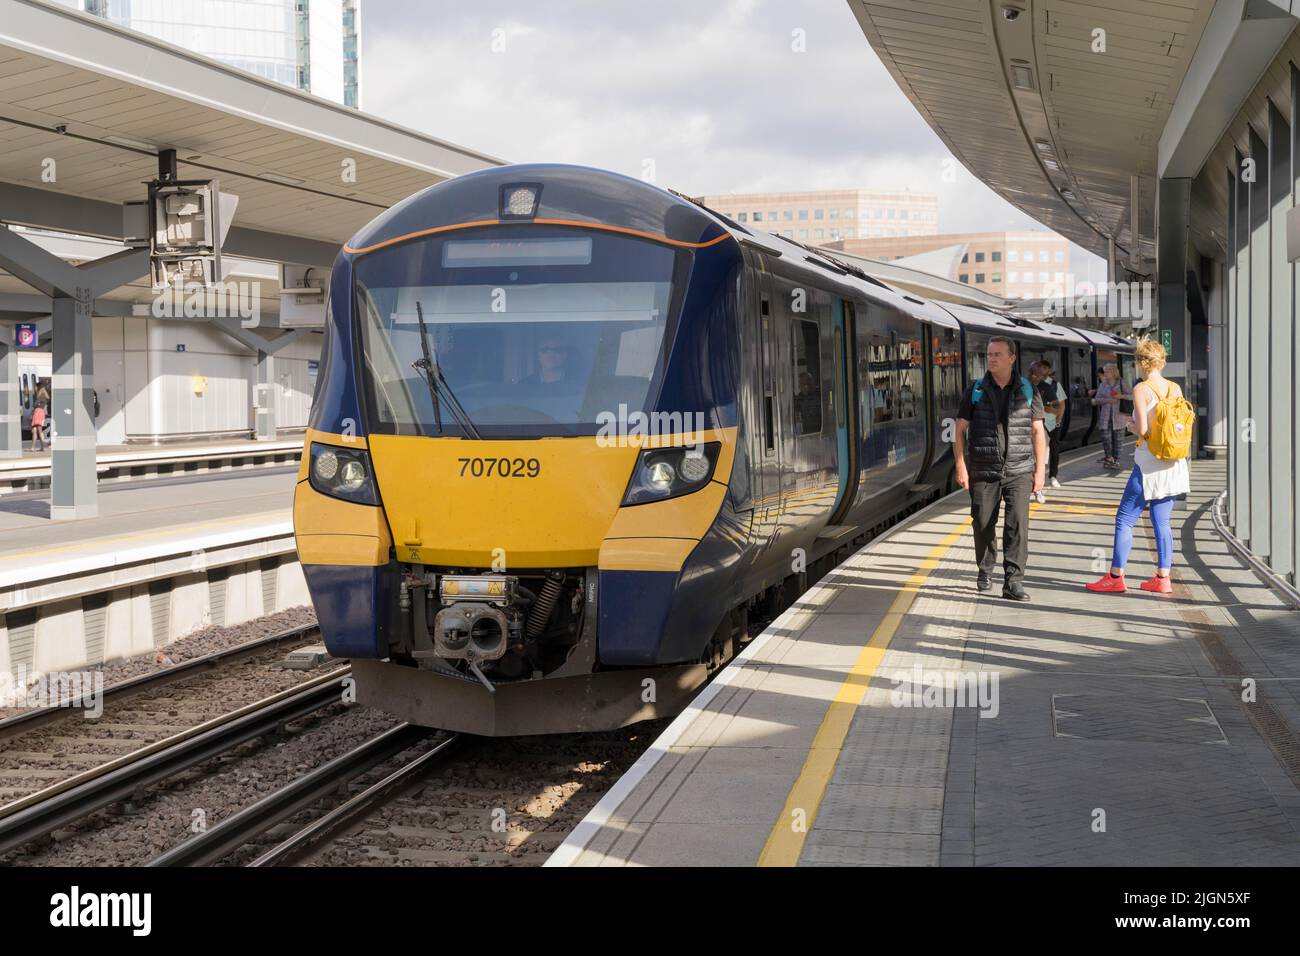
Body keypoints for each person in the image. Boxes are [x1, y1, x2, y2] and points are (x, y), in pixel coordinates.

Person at [1086, 339, 1190, 595]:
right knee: (1161, 522)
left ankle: (1115, 577)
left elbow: (1143, 429)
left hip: (1147, 464)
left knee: (1124, 519)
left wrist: (1128, 423)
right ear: (1161, 361)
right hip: (1173, 462)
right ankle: (1162, 578)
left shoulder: (1142, 389)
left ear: (1141, 363)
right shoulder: (1175, 388)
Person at [954, 336, 1048, 601]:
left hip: (1019, 469)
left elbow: (1038, 432)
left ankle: (1013, 581)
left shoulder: (1029, 389)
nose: (991, 358)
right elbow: (960, 430)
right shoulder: (975, 389)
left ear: (1011, 358)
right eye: (989, 354)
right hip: (983, 469)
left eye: (997, 354)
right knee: (983, 522)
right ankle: (985, 571)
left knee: (1017, 525)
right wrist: (961, 464)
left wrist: (1040, 471)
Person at [1028, 361, 1066, 502]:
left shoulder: (1051, 386)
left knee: (1044, 456)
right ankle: (1031, 486)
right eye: (1034, 374)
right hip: (1028, 426)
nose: (1035, 377)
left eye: (1039, 373)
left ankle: (1045, 482)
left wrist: (1054, 416)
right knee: (1031, 457)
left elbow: (1059, 406)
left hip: (1046, 424)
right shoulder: (1025, 384)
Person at [1091, 363, 1128, 470]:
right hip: (1105, 418)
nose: (1105, 373)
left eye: (1106, 371)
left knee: (1118, 441)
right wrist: (1107, 400)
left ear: (1113, 372)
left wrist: (1121, 396)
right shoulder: (1103, 385)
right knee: (1106, 439)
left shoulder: (1122, 383)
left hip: (1119, 417)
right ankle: (1109, 458)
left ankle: (1116, 460)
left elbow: (1131, 396)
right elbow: (1095, 400)